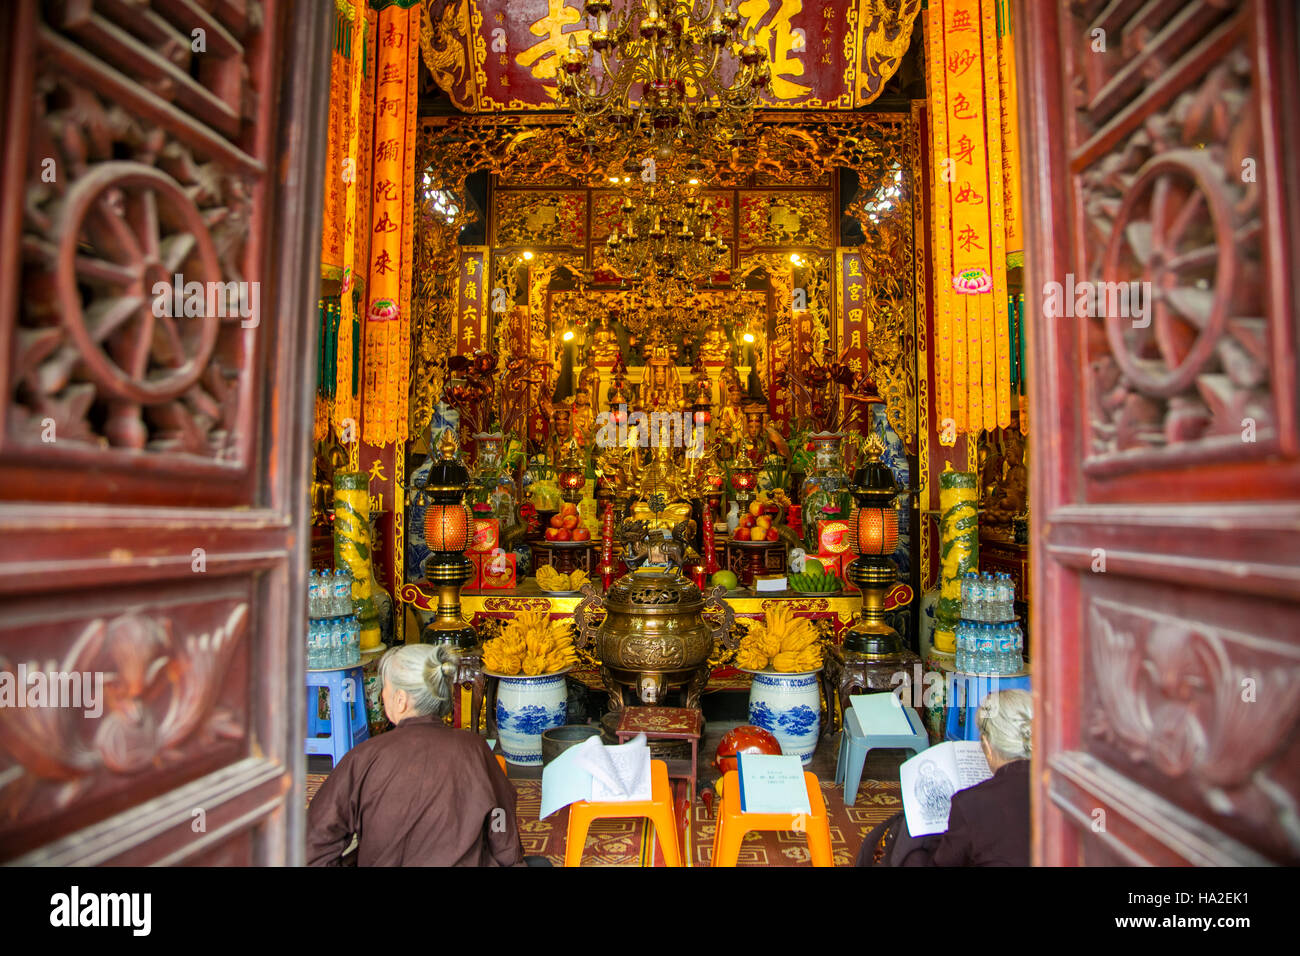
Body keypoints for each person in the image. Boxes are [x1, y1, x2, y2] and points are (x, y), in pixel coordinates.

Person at [307, 643, 524, 866]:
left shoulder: (364, 757)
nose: (383, 696)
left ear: (400, 700)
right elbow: (501, 825)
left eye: (385, 690)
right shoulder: (475, 749)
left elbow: (313, 846)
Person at [856, 688, 1032, 867]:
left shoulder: (971, 802)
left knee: (913, 854)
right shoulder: (1057, 786)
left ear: (987, 745)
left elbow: (944, 862)